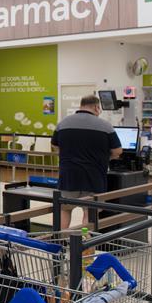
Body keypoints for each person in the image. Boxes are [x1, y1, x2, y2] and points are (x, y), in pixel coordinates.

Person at [51, 95, 123, 229]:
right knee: (89, 212)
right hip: (94, 177)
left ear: (81, 106)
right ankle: (86, 246)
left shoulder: (63, 123)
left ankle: (59, 243)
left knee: (65, 209)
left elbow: (55, 146)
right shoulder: (105, 126)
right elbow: (117, 151)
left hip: (68, 176)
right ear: (96, 107)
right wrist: (106, 158)